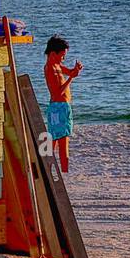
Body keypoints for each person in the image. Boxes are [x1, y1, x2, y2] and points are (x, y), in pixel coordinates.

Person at [44, 35, 83, 173]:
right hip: (59, 107)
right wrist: (71, 78)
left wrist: (75, 70)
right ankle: (64, 173)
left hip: (60, 107)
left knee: (54, 140)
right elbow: (57, 92)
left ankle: (49, 170)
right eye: (62, 56)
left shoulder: (57, 65)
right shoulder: (51, 68)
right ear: (53, 53)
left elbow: (71, 73)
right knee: (62, 143)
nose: (63, 59)